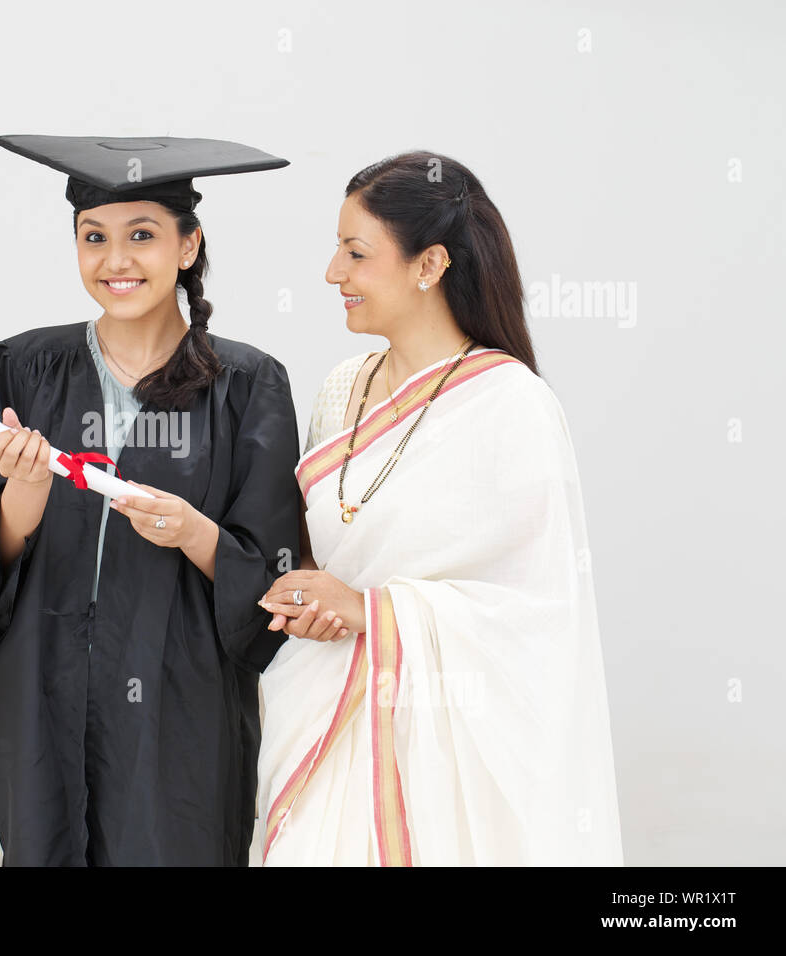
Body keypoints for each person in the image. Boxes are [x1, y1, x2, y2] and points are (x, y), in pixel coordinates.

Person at [255, 151, 623, 866]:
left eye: (356, 253)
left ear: (429, 266)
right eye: (337, 249)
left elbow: (541, 617)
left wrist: (373, 612)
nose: (334, 273)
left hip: (444, 747)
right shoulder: (342, 389)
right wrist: (309, 589)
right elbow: (323, 546)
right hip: (322, 714)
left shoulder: (512, 406)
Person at [0, 135, 302, 865]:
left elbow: (276, 581)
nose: (115, 261)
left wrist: (198, 533)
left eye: (142, 235)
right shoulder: (20, 368)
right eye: (93, 238)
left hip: (182, 704)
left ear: (188, 244)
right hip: (42, 693)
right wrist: (26, 490)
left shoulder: (247, 384)